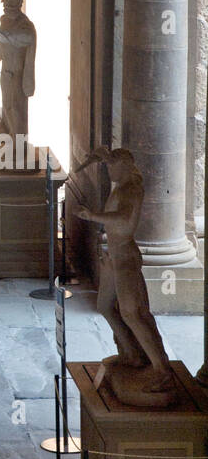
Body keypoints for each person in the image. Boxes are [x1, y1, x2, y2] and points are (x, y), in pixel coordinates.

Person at [67, 147, 175, 395]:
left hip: (125, 256)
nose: (109, 172)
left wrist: (92, 215)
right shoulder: (122, 185)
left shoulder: (131, 189)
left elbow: (125, 219)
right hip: (112, 255)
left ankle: (162, 371)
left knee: (133, 313)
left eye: (112, 167)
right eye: (107, 167)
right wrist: (103, 157)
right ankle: (132, 354)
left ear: (125, 166)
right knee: (105, 306)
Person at [0, 0, 36, 139]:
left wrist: (1, 35)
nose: (8, 5)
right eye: (6, 2)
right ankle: (13, 137)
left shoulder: (25, 24)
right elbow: (1, 47)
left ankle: (20, 144)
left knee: (17, 110)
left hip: (17, 74)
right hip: (5, 73)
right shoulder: (5, 20)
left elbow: (25, 38)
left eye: (12, 2)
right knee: (7, 107)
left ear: (19, 2)